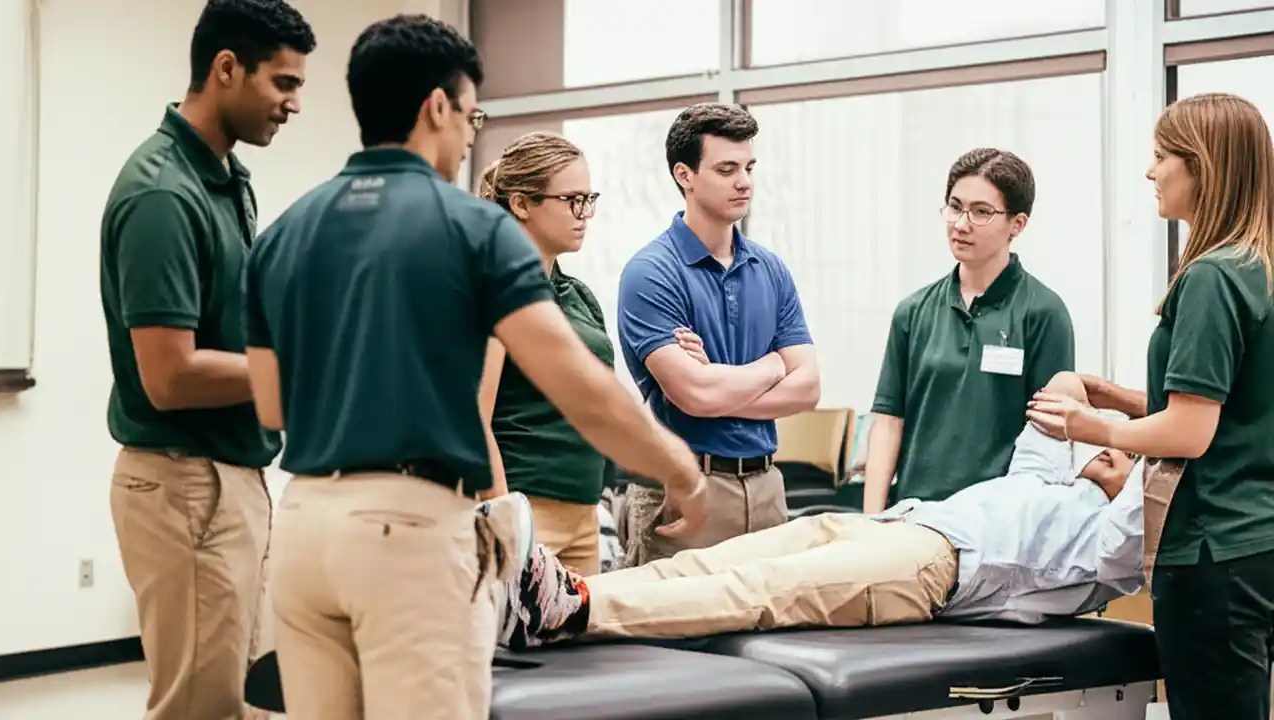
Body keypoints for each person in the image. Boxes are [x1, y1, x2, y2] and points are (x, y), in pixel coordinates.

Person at [242, 15, 707, 719]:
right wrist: (679, 470)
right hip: (409, 533)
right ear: (436, 107)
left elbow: (272, 407)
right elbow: (581, 388)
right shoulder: (473, 228)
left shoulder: (284, 233)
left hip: (304, 527)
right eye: (470, 116)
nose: (468, 137)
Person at [498, 371, 1144, 649]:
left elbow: (1166, 471)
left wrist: (1128, 439)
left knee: (757, 589)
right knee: (702, 563)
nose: (1102, 451)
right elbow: (1068, 386)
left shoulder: (1104, 541)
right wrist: (1119, 405)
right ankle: (552, 591)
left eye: (1121, 460)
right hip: (893, 524)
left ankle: (576, 610)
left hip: (934, 568)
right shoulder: (1043, 479)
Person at [97, 1, 315, 717]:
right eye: (282, 83)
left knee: (245, 701)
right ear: (226, 68)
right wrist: (304, 368)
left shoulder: (226, 178)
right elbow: (169, 376)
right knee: (201, 708)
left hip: (232, 477)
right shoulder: (164, 191)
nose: (294, 105)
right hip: (186, 487)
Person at [1027, 92, 1274, 720]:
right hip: (1258, 542)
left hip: (1211, 550)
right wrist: (1114, 395)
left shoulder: (1213, 277)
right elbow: (1229, 407)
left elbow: (1190, 431)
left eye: (1162, 156)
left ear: (1203, 168)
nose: (1150, 171)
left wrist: (1090, 424)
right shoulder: (1258, 268)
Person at [616, 102, 820, 566]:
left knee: (767, 631)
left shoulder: (770, 269)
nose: (744, 181)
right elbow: (694, 396)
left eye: (749, 167)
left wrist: (719, 382)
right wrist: (771, 367)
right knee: (673, 636)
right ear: (684, 175)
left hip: (767, 489)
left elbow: (807, 388)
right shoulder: (650, 272)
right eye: (726, 169)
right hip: (687, 490)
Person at [863, 148, 1075, 514]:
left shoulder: (1043, 312)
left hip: (998, 525)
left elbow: (1050, 437)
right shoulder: (913, 312)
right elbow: (888, 421)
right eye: (954, 206)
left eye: (981, 212)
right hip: (913, 515)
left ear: (1018, 224)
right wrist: (872, 519)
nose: (961, 224)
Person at [475, 131, 610, 576]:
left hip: (585, 511)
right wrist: (502, 518)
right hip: (528, 509)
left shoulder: (579, 296)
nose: (585, 214)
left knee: (588, 644)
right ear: (521, 204)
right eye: (572, 200)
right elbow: (475, 418)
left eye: (588, 199)